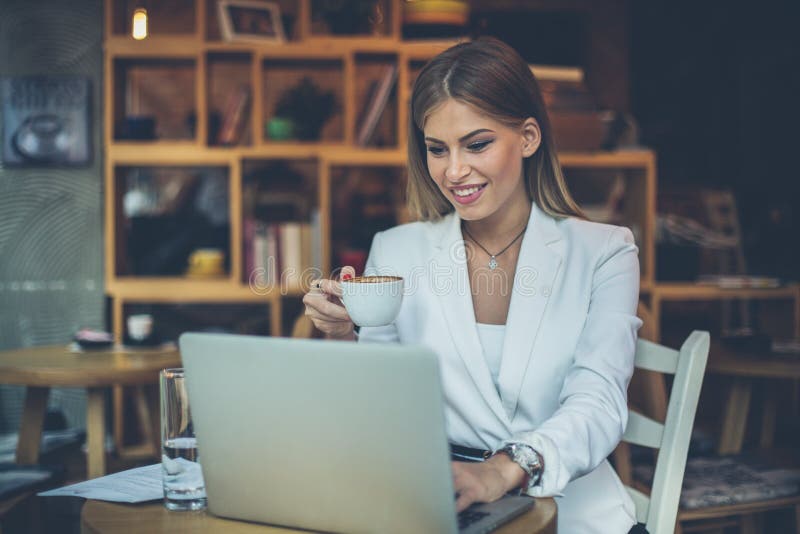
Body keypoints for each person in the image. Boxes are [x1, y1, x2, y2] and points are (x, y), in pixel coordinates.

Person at [303, 37, 641, 534]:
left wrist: (502, 470)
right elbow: (383, 409)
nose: (454, 171)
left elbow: (599, 401)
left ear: (528, 137)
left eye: (477, 144)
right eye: (437, 149)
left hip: (573, 511)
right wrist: (342, 336)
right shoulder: (396, 251)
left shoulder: (606, 252)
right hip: (445, 506)